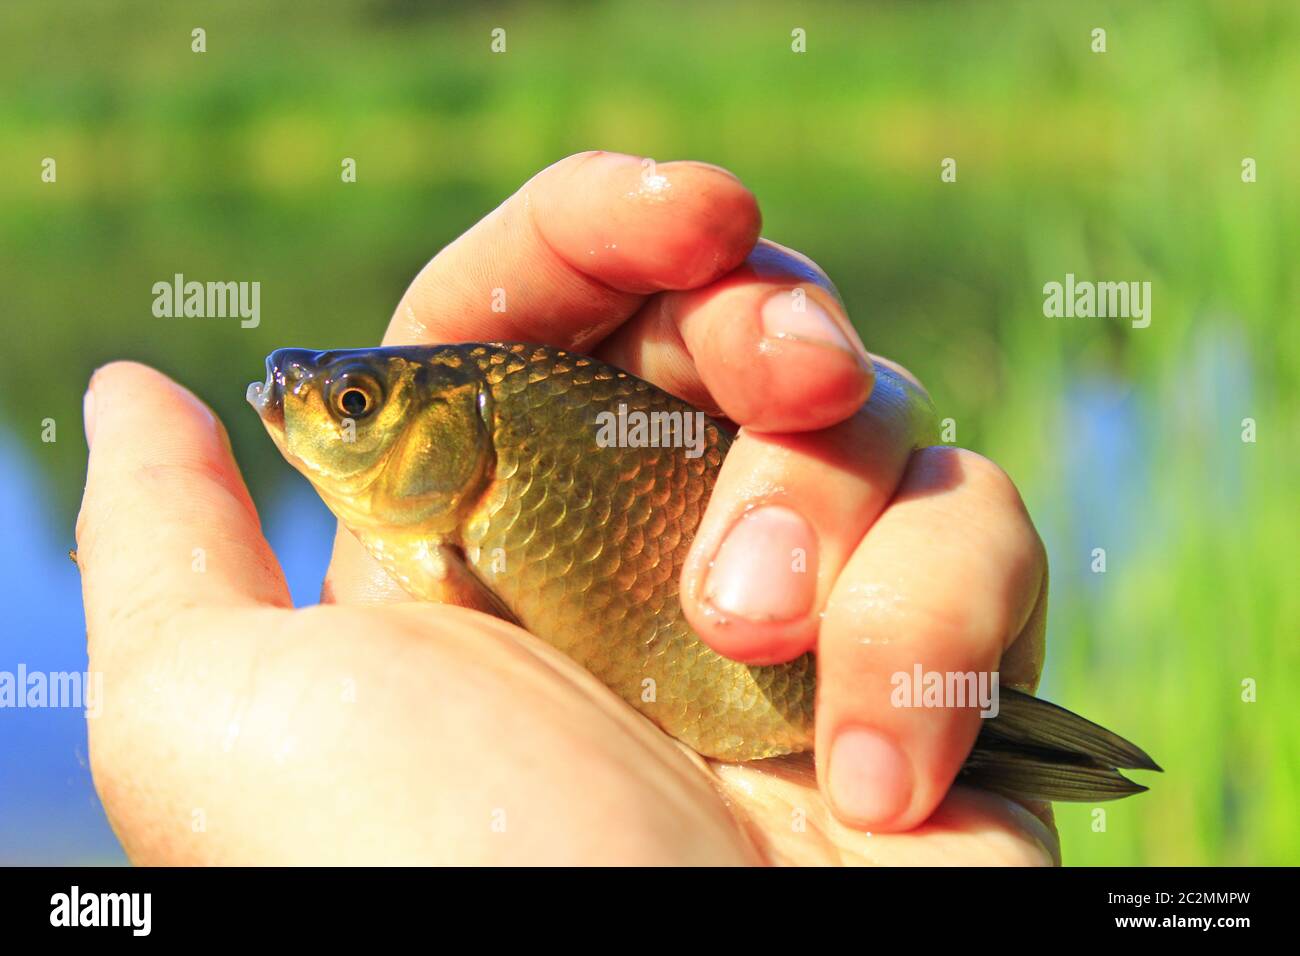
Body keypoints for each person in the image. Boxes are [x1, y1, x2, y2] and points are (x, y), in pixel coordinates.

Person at [75, 152, 1057, 865]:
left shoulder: (462, 508)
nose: (314, 409)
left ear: (452, 438)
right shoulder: (396, 628)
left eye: (354, 405)